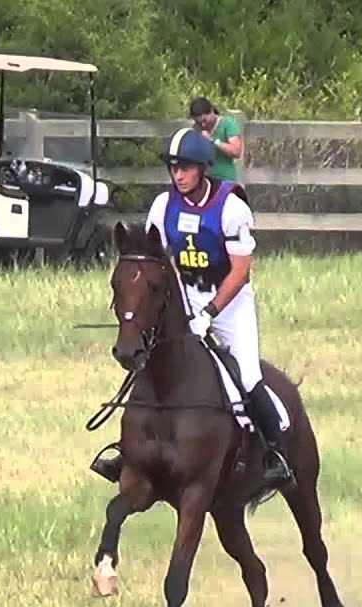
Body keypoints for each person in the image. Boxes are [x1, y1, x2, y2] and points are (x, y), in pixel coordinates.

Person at [89, 126, 294, 492]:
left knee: (246, 375)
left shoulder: (231, 207)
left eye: (185, 168)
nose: (177, 175)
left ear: (203, 169)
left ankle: (273, 452)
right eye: (173, 168)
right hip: (183, 296)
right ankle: (130, 452)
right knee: (154, 363)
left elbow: (241, 271)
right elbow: (152, 258)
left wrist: (210, 312)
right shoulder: (163, 206)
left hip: (228, 301)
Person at [189, 97, 243, 183]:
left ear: (211, 111)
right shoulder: (196, 129)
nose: (203, 125)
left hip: (225, 179)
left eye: (205, 120)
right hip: (205, 181)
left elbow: (236, 152)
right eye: (199, 122)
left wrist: (212, 141)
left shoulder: (227, 124)